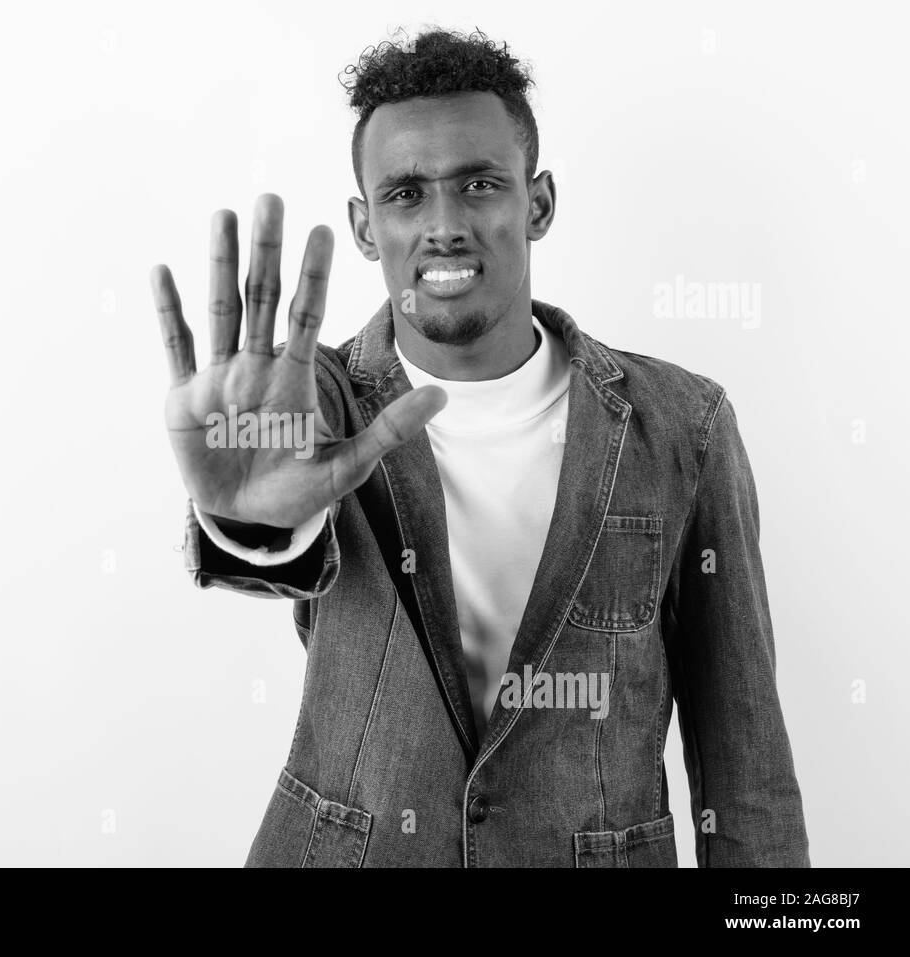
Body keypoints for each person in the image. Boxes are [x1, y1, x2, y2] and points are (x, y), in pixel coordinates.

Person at [150, 26, 809, 867]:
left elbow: (744, 761)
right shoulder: (319, 402)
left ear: (537, 204)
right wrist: (244, 519)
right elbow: (273, 540)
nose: (445, 225)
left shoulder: (685, 425)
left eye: (479, 184)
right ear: (362, 226)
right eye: (405, 195)